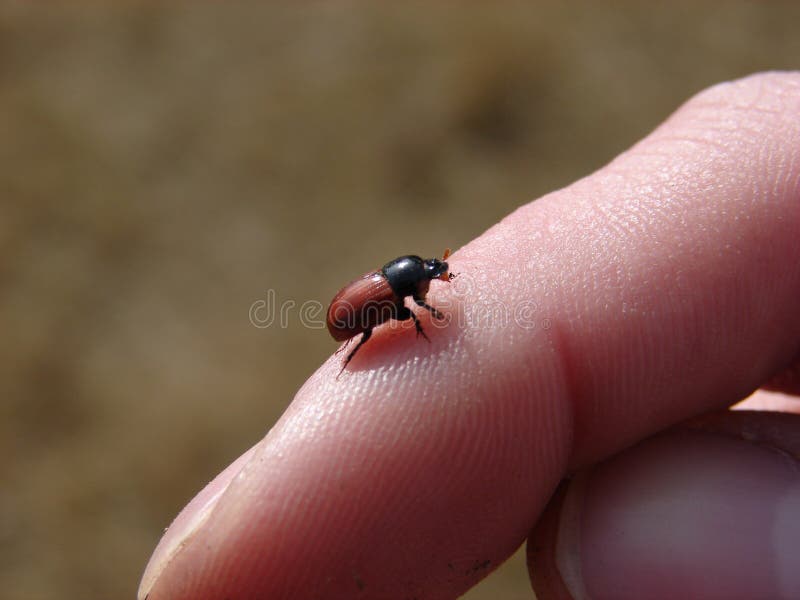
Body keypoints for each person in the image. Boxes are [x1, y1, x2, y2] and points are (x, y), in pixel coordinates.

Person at [139, 72, 800, 600]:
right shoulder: (388, 300)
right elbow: (373, 316)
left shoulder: (400, 289)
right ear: (407, 280)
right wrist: (401, 324)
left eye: (428, 275)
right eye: (426, 274)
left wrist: (421, 307)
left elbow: (407, 301)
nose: (431, 278)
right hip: (350, 322)